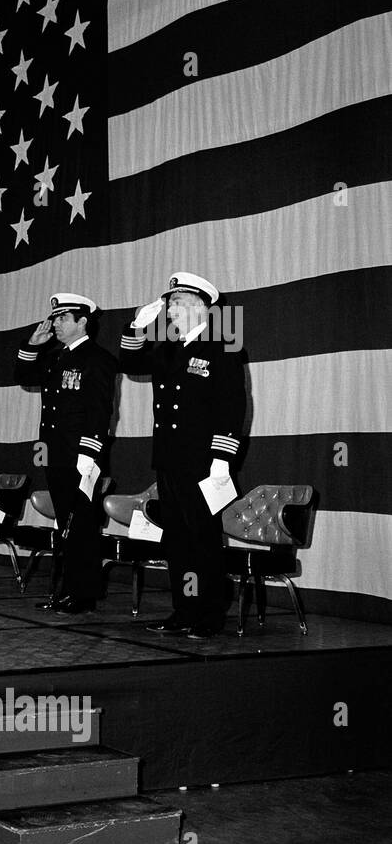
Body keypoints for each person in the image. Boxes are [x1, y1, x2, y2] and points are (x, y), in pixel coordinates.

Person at [119, 271, 246, 640]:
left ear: (201, 307)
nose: (170, 309)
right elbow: (129, 364)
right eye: (171, 303)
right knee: (176, 539)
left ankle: (210, 612)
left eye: (177, 303)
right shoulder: (168, 348)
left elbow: (232, 406)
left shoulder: (223, 345)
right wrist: (136, 327)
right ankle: (184, 608)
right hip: (170, 458)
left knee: (203, 539)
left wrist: (222, 461)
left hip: (203, 462)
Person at [14, 293, 119, 614]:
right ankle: (69, 589)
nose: (55, 323)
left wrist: (89, 455)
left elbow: (100, 411)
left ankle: (83, 593)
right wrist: (32, 345)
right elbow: (24, 377)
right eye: (55, 317)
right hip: (55, 452)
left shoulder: (98, 358)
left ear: (82, 321)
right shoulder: (55, 357)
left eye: (63, 318)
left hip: (82, 456)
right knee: (66, 524)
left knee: (82, 525)